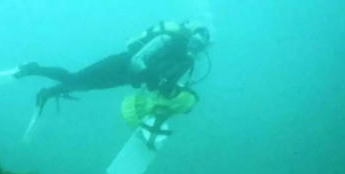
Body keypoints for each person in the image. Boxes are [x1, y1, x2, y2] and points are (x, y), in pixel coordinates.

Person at [14, 21, 211, 114]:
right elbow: (137, 60)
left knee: (84, 85)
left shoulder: (186, 62)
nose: (195, 48)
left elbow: (164, 82)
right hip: (119, 64)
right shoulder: (167, 39)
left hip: (124, 79)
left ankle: (50, 91)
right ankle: (35, 69)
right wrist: (153, 79)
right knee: (76, 79)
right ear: (189, 36)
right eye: (195, 42)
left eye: (200, 46)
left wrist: (172, 93)